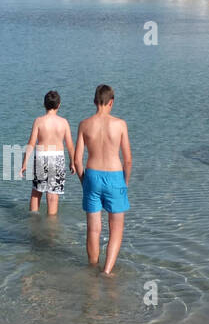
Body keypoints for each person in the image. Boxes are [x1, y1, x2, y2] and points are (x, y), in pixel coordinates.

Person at [74, 84, 132, 276]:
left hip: (91, 175)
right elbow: (128, 160)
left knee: (93, 229)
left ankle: (92, 268)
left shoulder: (84, 124)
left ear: (94, 102)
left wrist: (85, 183)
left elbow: (76, 160)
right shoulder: (120, 124)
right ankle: (106, 272)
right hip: (115, 176)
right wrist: (125, 182)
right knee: (115, 229)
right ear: (111, 102)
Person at [20, 90, 75, 215]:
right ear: (59, 105)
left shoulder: (39, 121)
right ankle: (51, 228)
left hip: (41, 158)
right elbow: (70, 145)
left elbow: (31, 143)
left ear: (44, 104)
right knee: (53, 196)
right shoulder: (63, 122)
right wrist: (73, 162)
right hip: (57, 159)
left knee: (36, 192)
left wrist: (24, 163)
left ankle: (33, 221)